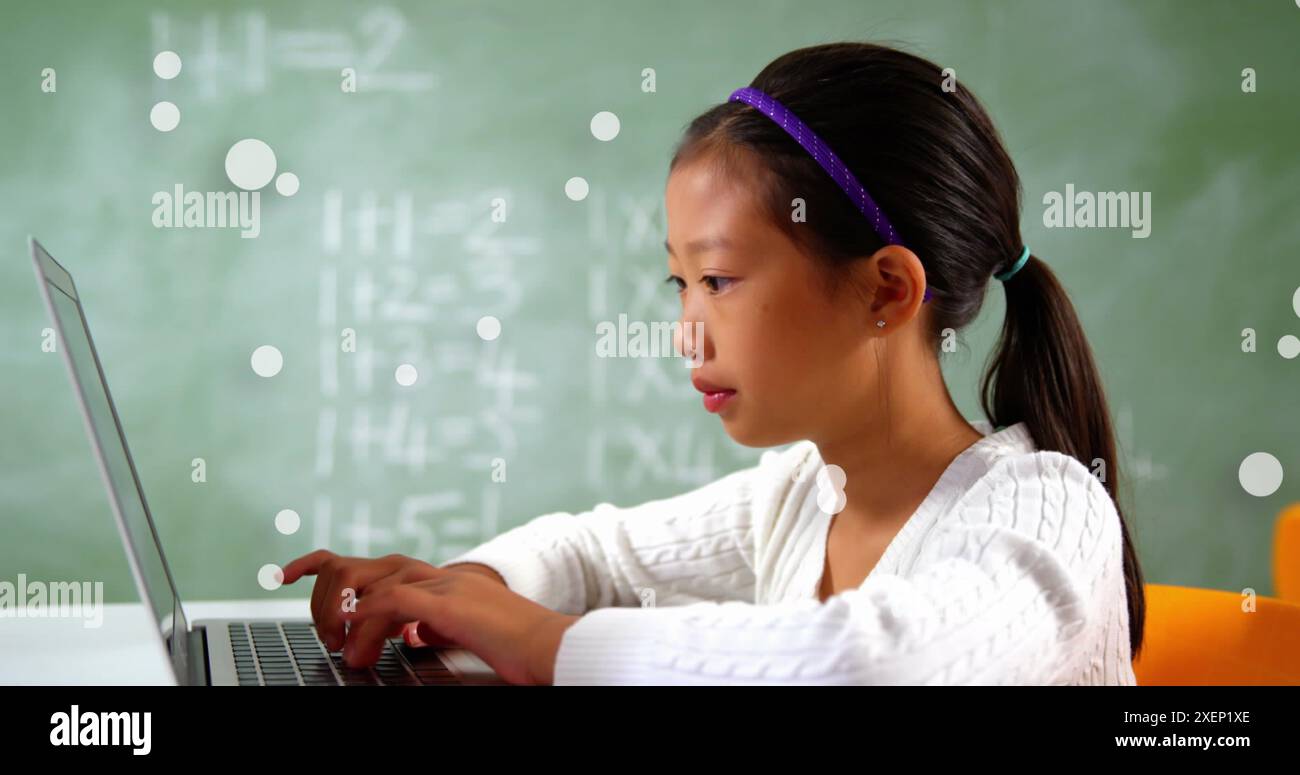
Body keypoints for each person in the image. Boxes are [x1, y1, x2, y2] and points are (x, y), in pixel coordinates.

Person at [282, 40, 1144, 685]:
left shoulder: (1047, 507)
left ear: (885, 290)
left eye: (720, 281)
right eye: (681, 283)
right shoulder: (802, 493)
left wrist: (542, 641)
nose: (685, 334)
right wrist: (457, 589)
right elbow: (596, 554)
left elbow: (876, 662)